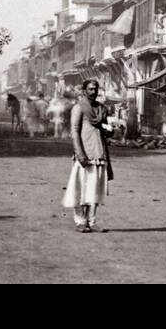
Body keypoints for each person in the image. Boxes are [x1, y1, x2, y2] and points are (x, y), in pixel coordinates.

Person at [63, 79, 113, 232]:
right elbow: (75, 132)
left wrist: (110, 130)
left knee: (95, 188)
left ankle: (92, 221)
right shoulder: (78, 108)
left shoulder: (102, 109)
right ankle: (80, 221)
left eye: (96, 89)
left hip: (99, 152)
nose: (94, 92)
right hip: (85, 153)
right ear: (84, 91)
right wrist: (80, 154)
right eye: (90, 89)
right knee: (81, 188)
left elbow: (104, 129)